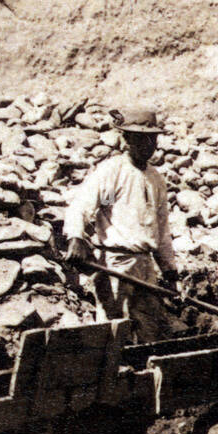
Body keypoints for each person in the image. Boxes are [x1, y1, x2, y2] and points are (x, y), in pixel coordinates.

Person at [63, 107, 177, 345]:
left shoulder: (156, 179)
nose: (149, 144)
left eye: (153, 138)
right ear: (127, 139)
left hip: (145, 267)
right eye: (142, 138)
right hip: (115, 264)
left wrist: (169, 270)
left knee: (148, 334)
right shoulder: (111, 171)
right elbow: (82, 205)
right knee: (114, 335)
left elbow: (162, 230)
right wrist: (76, 237)